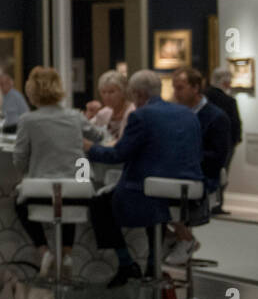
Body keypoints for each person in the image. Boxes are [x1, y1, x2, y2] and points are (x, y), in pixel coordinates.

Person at [85, 69, 202, 287]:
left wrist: (89, 148)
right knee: (154, 208)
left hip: (148, 192)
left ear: (138, 95)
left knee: (99, 205)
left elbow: (118, 154)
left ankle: (126, 262)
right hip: (187, 193)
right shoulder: (188, 114)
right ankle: (152, 265)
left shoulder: (141, 116)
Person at [11, 67, 104, 279]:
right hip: (79, 197)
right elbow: (99, 137)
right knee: (67, 194)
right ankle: (67, 255)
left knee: (19, 203)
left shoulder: (27, 120)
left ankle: (45, 252)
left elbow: (19, 160)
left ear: (31, 91)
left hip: (40, 197)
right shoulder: (75, 116)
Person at [163, 67, 231, 263]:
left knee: (158, 193)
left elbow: (218, 157)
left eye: (180, 88)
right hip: (178, 172)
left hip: (201, 175)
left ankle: (184, 237)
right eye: (174, 88)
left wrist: (185, 158)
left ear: (195, 88)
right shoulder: (175, 114)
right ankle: (175, 236)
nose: (176, 93)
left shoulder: (216, 117)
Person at [204, 67, 242, 213]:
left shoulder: (205, 96)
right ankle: (217, 204)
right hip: (224, 144)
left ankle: (209, 203)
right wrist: (236, 139)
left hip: (207, 143)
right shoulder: (228, 101)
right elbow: (234, 123)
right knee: (221, 174)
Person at [90, 69, 133, 144]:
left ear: (123, 92)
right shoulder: (103, 113)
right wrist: (88, 115)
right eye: (103, 92)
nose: (107, 96)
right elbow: (88, 129)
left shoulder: (133, 111)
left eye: (111, 92)